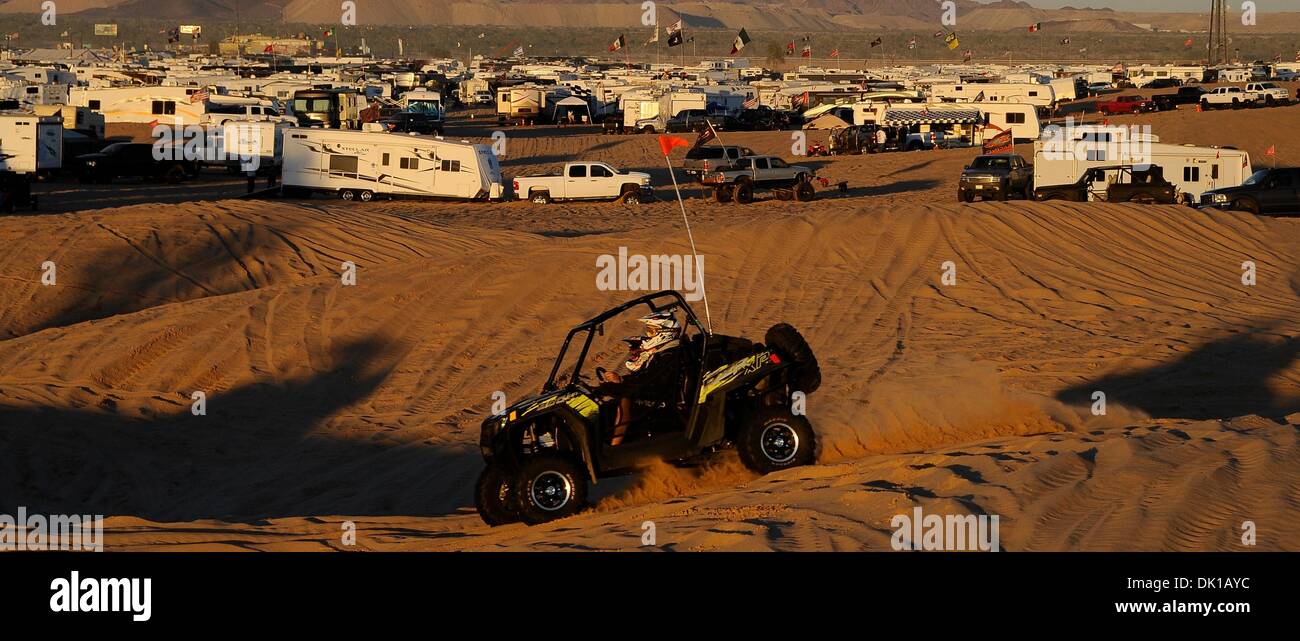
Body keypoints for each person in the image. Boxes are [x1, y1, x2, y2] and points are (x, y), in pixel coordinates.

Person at [598, 311, 683, 445]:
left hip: (662, 405)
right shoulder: (664, 353)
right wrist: (621, 381)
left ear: (665, 332)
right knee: (607, 407)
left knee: (621, 402)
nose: (648, 335)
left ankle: (614, 450)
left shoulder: (670, 355)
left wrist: (619, 384)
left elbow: (649, 381)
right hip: (656, 398)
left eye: (651, 331)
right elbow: (644, 377)